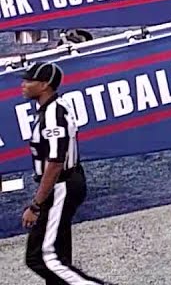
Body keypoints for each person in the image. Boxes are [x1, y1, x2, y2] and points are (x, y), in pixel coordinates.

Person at [21, 61, 112, 285]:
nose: (23, 85)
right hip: (66, 182)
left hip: (60, 185)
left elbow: (55, 163)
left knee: (42, 257)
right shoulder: (54, 107)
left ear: (44, 85)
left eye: (29, 80)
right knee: (58, 254)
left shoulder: (53, 114)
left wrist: (36, 205)